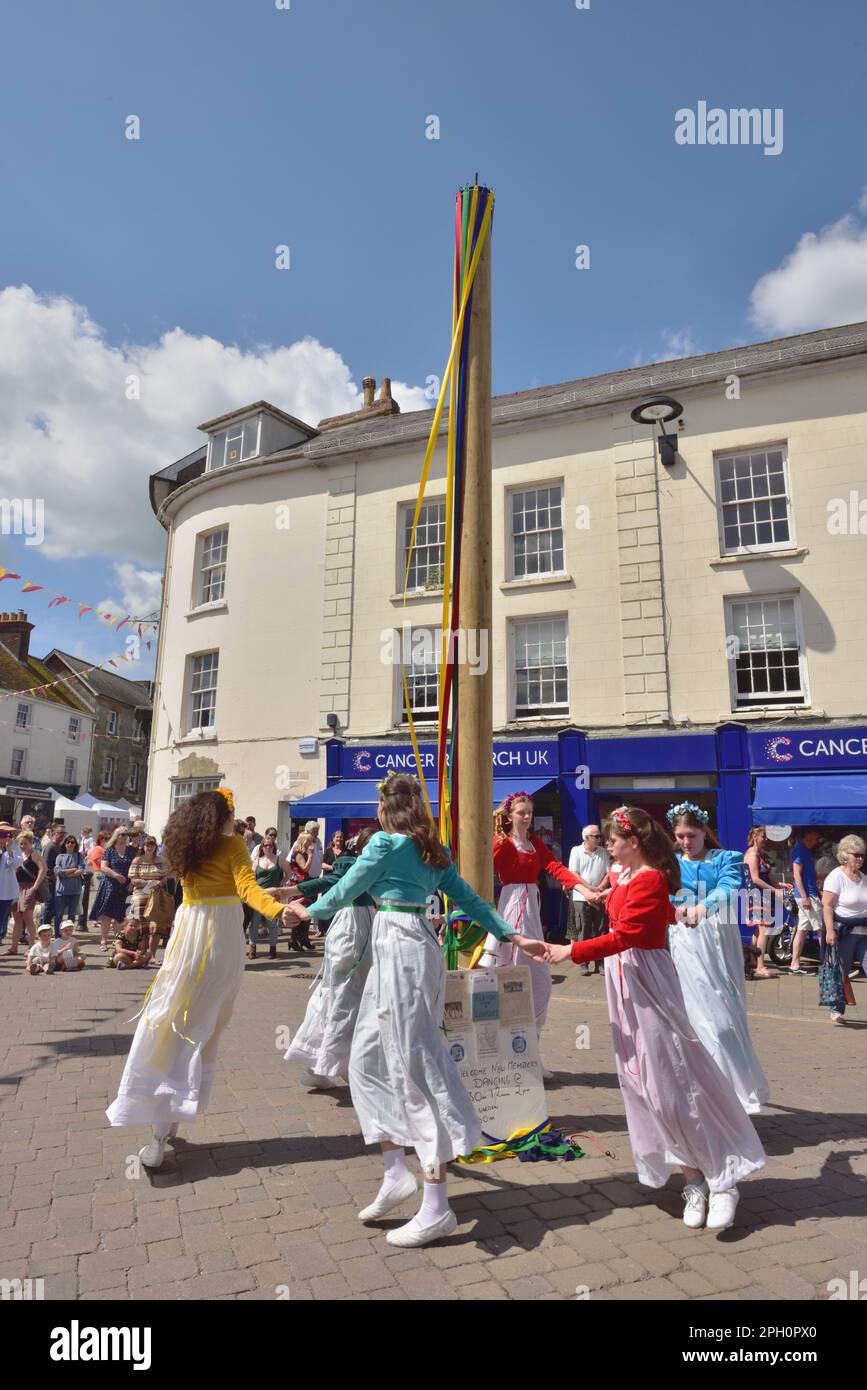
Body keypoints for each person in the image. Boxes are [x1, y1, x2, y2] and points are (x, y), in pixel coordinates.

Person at [284, 772, 545, 1249]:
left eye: (380, 804)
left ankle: (436, 1203)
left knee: (412, 1065)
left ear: (388, 807)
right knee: (365, 1060)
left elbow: (347, 889)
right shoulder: (431, 848)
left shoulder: (386, 844)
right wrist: (510, 933)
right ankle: (394, 1173)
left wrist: (305, 911)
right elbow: (472, 900)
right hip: (405, 945)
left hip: (402, 946)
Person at [544, 806, 765, 1232]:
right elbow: (656, 912)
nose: (607, 844)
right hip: (625, 983)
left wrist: (570, 951)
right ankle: (693, 1178)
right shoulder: (626, 876)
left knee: (676, 1081)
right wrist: (675, 913)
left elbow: (627, 934)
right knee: (645, 1084)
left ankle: (723, 1179)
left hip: (647, 980)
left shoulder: (647, 878)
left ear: (636, 842)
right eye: (605, 838)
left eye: (614, 838)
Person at [105, 787, 296, 1170]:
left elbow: (236, 887)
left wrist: (272, 899)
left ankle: (161, 1125)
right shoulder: (233, 847)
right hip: (221, 938)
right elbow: (245, 888)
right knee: (202, 1027)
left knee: (171, 1018)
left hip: (188, 931)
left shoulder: (183, 848)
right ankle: (165, 1122)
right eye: (232, 811)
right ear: (222, 817)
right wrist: (277, 909)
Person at [479, 791, 597, 1078]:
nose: (527, 816)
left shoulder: (533, 843)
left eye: (530, 811)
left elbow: (555, 867)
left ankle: (529, 1052)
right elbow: (478, 869)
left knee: (540, 982)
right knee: (510, 980)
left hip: (531, 907)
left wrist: (583, 888)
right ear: (509, 816)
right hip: (512, 907)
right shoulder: (501, 843)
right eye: (522, 812)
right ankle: (504, 1055)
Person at [667, 802, 769, 1116]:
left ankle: (737, 1088)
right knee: (697, 1014)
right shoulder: (668, 863)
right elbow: (663, 891)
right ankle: (707, 1089)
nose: (686, 841)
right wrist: (677, 907)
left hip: (718, 940)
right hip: (684, 941)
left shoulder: (727, 858)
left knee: (727, 1016)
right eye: (681, 835)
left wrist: (701, 909)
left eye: (692, 834)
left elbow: (729, 887)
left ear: (704, 832)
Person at [283, 826, 377, 1087]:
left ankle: (332, 1064)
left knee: (349, 994)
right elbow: (331, 882)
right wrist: (289, 892)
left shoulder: (375, 865)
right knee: (341, 993)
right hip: (351, 927)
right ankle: (330, 1063)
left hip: (364, 926)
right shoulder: (350, 863)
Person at [821, 834, 867, 1025]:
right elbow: (827, 906)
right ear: (845, 855)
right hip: (844, 932)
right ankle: (836, 1010)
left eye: (862, 855)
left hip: (864, 932)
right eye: (856, 854)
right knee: (841, 972)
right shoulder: (836, 876)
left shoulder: (864, 878)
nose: (860, 858)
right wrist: (830, 931)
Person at [743, 827, 788, 979]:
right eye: (763, 837)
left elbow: (763, 878)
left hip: (760, 896)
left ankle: (753, 961)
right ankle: (760, 966)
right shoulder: (753, 855)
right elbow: (755, 879)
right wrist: (775, 891)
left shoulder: (758, 854)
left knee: (758, 930)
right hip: (758, 897)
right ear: (755, 837)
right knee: (763, 931)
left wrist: (779, 885)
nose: (765, 839)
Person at [566, 824, 610, 976]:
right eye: (596, 836)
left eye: (599, 836)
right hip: (581, 897)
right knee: (583, 930)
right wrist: (589, 889)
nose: (599, 839)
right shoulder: (576, 851)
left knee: (601, 931)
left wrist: (599, 889)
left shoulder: (603, 852)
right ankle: (583, 962)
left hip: (599, 897)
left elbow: (608, 873)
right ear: (586, 838)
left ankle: (601, 963)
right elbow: (574, 874)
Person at [89, 827, 136, 952]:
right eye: (121, 834)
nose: (124, 837)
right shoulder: (109, 850)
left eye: (126, 834)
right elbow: (103, 867)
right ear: (116, 836)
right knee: (107, 915)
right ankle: (104, 940)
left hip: (126, 886)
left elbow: (136, 867)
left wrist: (132, 881)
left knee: (121, 916)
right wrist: (116, 875)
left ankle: (118, 941)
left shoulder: (132, 850)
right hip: (110, 885)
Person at [3, 831, 47, 956]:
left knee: (28, 918)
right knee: (17, 918)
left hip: (28, 887)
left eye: (25, 843)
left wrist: (35, 886)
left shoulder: (34, 854)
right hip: (16, 887)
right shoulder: (17, 854)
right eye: (20, 843)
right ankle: (13, 948)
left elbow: (43, 868)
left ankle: (31, 948)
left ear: (30, 843)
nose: (22, 846)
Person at [247, 830, 289, 959]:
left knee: (272, 924)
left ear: (274, 847)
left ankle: (272, 948)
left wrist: (281, 885)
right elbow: (251, 878)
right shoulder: (256, 861)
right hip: (258, 896)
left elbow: (289, 873)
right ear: (262, 847)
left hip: (273, 897)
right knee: (254, 923)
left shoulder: (279, 860)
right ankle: (252, 949)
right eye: (266, 845)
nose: (268, 847)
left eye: (271, 845)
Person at [128, 837, 169, 967]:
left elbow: (165, 878)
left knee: (156, 926)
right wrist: (149, 883)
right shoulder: (137, 860)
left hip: (157, 894)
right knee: (143, 926)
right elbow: (133, 880)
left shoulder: (160, 860)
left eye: (151, 845)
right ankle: (143, 954)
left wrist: (159, 883)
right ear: (143, 846)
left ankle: (152, 955)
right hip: (141, 893)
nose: (149, 848)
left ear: (155, 847)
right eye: (147, 845)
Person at [789, 828, 822, 975]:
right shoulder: (800, 850)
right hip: (807, 896)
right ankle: (831, 965)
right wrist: (804, 897)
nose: (817, 837)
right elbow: (797, 875)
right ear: (807, 834)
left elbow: (807, 875)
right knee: (822, 930)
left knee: (801, 930)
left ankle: (794, 965)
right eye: (815, 834)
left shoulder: (806, 850)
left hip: (809, 895)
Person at [53, 835, 85, 937]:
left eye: (72, 842)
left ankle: (68, 935)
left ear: (75, 844)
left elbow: (80, 870)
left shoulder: (79, 856)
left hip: (75, 890)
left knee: (71, 915)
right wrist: (72, 870)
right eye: (68, 842)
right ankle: (58, 935)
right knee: (58, 915)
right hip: (61, 891)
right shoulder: (59, 857)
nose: (70, 844)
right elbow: (58, 871)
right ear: (65, 844)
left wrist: (65, 873)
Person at [42, 826, 69, 935]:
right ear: (53, 833)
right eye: (59, 833)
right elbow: (47, 866)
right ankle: (44, 928)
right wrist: (54, 878)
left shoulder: (58, 846)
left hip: (57, 881)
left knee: (55, 906)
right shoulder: (51, 847)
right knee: (50, 906)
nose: (62, 835)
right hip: (51, 881)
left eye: (64, 833)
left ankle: (46, 927)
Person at [0, 822, 22, 946]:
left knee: (2, 918)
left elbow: (16, 864)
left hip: (5, 892)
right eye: (2, 833)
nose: (5, 837)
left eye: (7, 834)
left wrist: (8, 850)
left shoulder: (14, 848)